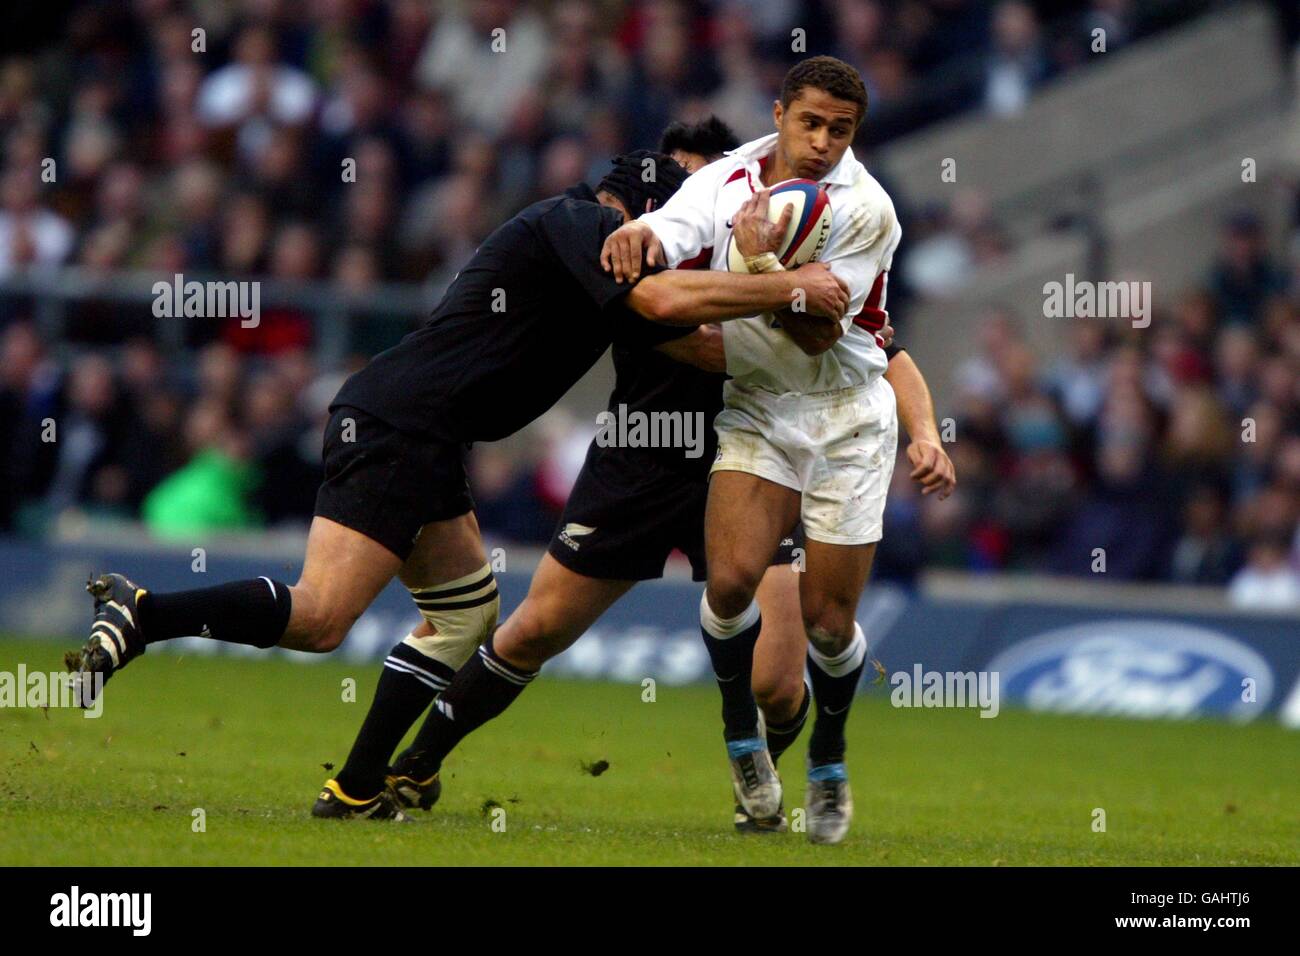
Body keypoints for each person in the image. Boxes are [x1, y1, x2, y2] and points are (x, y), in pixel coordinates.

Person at [66, 150, 852, 820]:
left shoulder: (594, 263)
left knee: (465, 611)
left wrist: (823, 342)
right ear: (640, 210)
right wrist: (789, 290)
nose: (676, 243)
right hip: (399, 424)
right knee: (322, 616)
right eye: (669, 225)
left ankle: (356, 787)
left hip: (423, 434)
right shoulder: (583, 227)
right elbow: (667, 303)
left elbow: (701, 347)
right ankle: (147, 612)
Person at [600, 56, 953, 843]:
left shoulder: (870, 211)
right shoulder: (729, 175)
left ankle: (828, 752)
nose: (824, 141)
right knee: (727, 585)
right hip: (759, 406)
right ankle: (742, 742)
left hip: (848, 419)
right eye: (811, 122)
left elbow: (820, 327)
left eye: (841, 129)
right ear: (780, 113)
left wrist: (761, 260)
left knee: (828, 626)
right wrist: (637, 233)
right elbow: (675, 227)